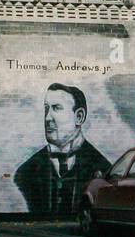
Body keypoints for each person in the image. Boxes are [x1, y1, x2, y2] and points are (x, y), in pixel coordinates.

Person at [14, 82, 111, 216]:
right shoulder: (25, 173)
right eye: (46, 108)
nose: (47, 118)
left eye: (56, 108)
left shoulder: (102, 168)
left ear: (79, 117)